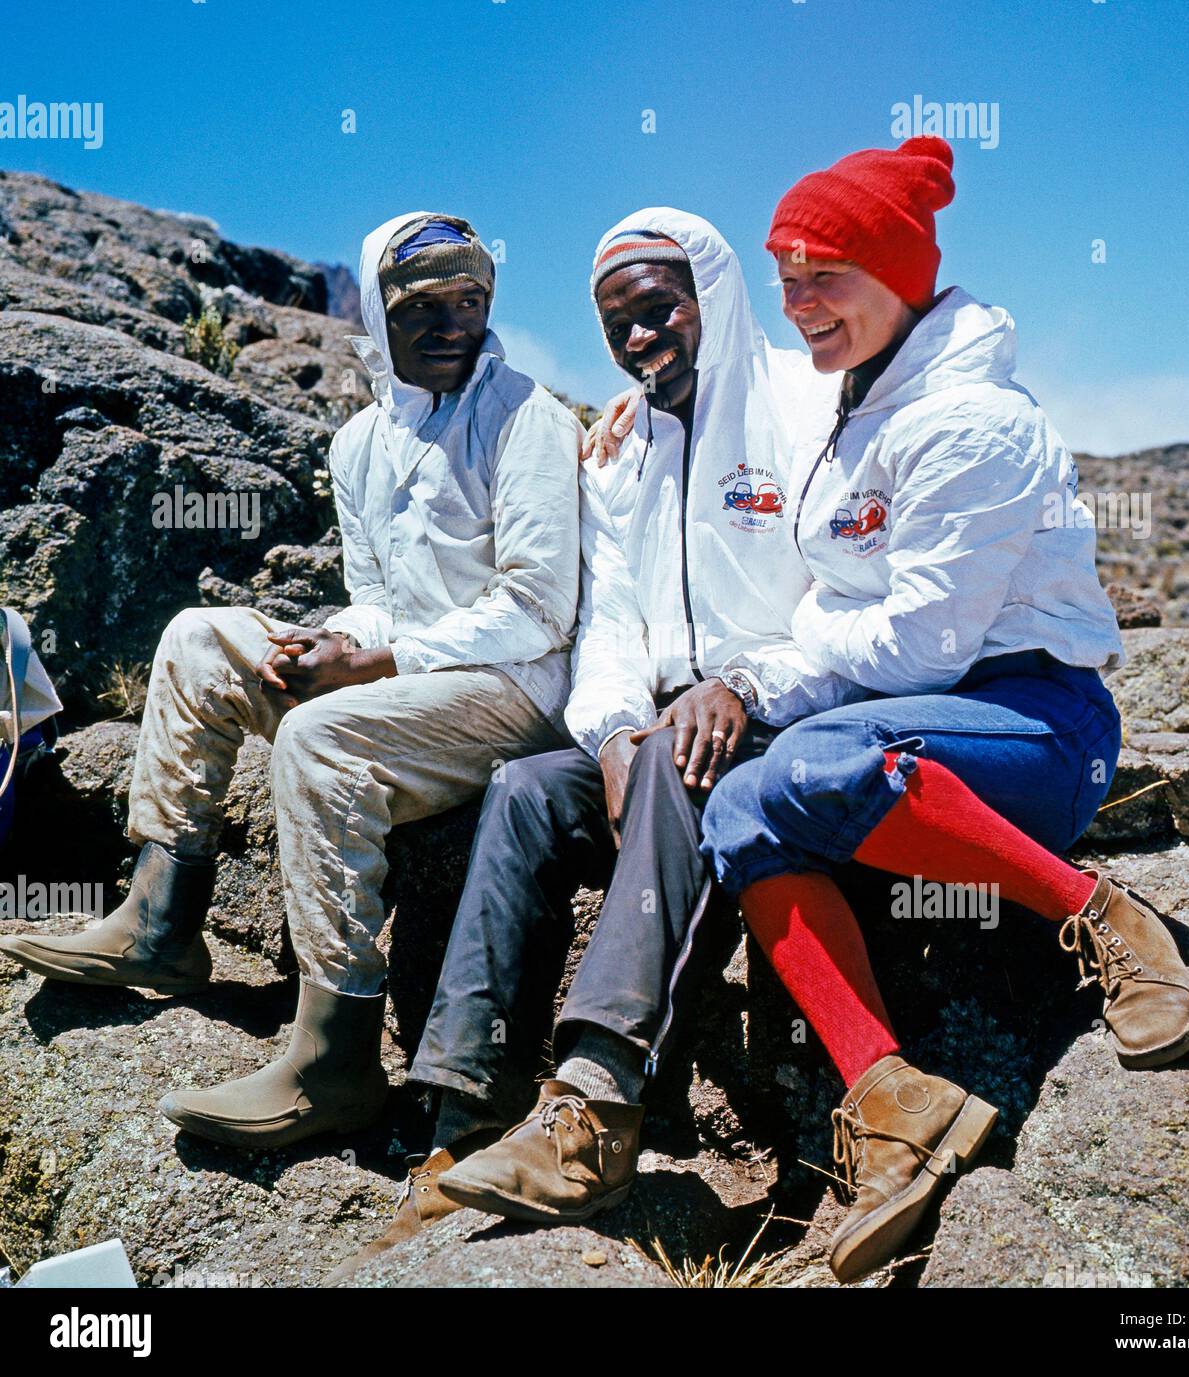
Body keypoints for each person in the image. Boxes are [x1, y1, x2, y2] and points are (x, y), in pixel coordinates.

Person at [696, 137, 1189, 1282]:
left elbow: (915, 645)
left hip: (1038, 730)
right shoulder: (858, 406)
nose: (797, 301)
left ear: (900, 272)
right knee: (737, 813)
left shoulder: (972, 422)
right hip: (909, 728)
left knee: (806, 767)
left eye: (824, 270)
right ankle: (893, 1101)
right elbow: (868, 633)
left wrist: (798, 635)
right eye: (784, 274)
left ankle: (1100, 918)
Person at [325, 209, 856, 1282]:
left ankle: (598, 1104)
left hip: (782, 713)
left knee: (674, 758)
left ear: (712, 296)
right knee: (524, 787)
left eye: (659, 310)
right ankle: (463, 1122)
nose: (639, 339)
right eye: (618, 324)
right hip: (657, 718)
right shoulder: (622, 449)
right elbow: (606, 618)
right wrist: (611, 726)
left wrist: (743, 683)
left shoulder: (810, 412)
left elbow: (852, 603)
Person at [0, 212, 581, 1149]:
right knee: (199, 636)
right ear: (379, 321)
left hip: (513, 694)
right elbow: (375, 597)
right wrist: (325, 641)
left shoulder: (530, 419)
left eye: (468, 302)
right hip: (411, 681)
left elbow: (539, 608)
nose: (449, 325)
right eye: (420, 307)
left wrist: (370, 661)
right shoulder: (360, 444)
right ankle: (161, 917)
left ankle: (334, 1056)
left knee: (320, 739)